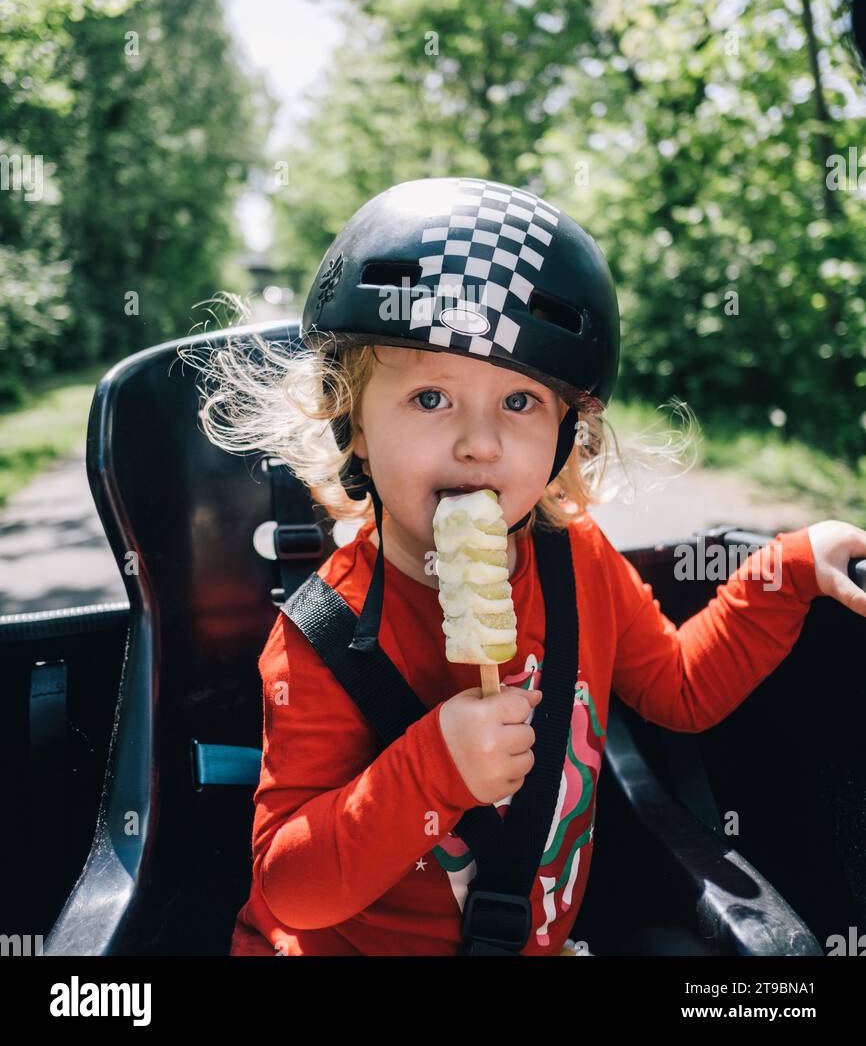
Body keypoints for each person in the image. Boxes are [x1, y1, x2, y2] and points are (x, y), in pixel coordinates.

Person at [192, 176, 866, 956]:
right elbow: (290, 890)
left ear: (563, 433)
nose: (480, 442)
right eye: (431, 398)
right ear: (354, 423)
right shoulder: (323, 638)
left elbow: (681, 690)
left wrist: (790, 565)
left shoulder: (576, 561)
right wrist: (432, 769)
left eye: (520, 403)